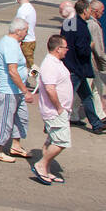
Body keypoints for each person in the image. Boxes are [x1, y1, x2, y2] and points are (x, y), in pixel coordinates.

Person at [62, 0, 106, 135]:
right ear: (85, 10)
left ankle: (96, 124)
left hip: (69, 64)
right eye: (89, 10)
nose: (90, 13)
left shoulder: (68, 23)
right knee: (67, 98)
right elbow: (82, 49)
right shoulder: (82, 26)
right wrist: (89, 46)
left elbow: (65, 41)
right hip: (77, 68)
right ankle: (54, 123)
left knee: (86, 96)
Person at [0, 17, 36, 162]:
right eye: (25, 31)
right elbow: (12, 71)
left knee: (20, 118)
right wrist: (25, 90)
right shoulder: (10, 44)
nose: (26, 33)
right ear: (18, 31)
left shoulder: (12, 42)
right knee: (5, 120)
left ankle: (16, 145)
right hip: (9, 90)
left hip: (14, 90)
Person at [33, 34, 75, 184]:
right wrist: (59, 108)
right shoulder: (50, 65)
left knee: (51, 140)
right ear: (58, 49)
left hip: (59, 111)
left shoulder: (55, 62)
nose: (67, 50)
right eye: (65, 47)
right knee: (62, 141)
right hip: (55, 112)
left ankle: (46, 169)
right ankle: (41, 165)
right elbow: (50, 89)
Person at [16, 0, 38, 81]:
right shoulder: (30, 7)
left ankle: (39, 77)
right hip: (31, 40)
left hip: (26, 42)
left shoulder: (22, 10)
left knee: (30, 65)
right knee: (25, 64)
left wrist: (18, 40)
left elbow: (21, 26)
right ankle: (24, 79)